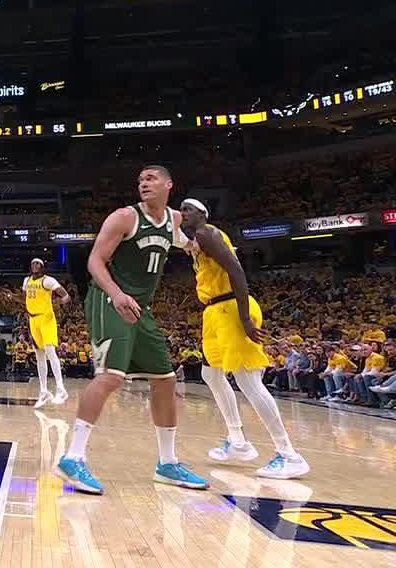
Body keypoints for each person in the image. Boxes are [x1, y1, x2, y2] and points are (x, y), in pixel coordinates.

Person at [55, 165, 209, 495]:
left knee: (165, 380)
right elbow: (94, 262)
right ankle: (73, 457)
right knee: (111, 377)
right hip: (108, 299)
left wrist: (201, 244)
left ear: (169, 184)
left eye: (151, 179)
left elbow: (188, 242)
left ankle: (167, 463)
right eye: (140, 180)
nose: (144, 184)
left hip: (141, 307)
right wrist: (116, 294)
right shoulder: (124, 217)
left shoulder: (174, 220)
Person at [180, 199, 309, 479]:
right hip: (214, 312)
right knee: (210, 375)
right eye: (181, 209)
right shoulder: (197, 241)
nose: (183, 212)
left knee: (248, 381)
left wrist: (245, 318)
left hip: (232, 309)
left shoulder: (207, 233)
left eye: (188, 208)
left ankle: (289, 454)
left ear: (203, 214)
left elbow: (236, 270)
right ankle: (238, 442)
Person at [21, 258, 71, 408]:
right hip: (33, 320)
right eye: (33, 263)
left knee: (50, 351)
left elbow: (65, 295)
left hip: (46, 318)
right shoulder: (26, 281)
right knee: (39, 355)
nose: (35, 265)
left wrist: (61, 302)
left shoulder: (48, 281)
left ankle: (61, 389)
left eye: (38, 264)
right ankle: (44, 391)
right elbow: (26, 299)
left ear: (42, 267)